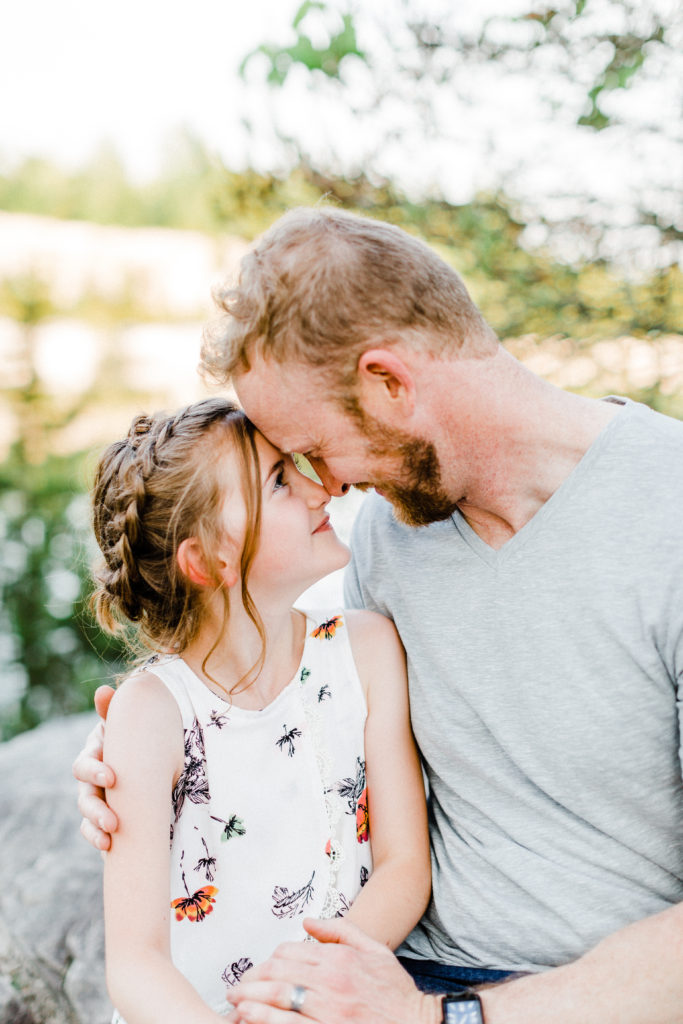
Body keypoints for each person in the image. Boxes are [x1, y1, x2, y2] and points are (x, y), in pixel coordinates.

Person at [74, 207, 683, 1024]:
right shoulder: (386, 539)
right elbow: (244, 666)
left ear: (387, 381)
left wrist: (450, 1020)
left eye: (312, 450)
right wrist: (132, 759)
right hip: (383, 977)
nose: (326, 485)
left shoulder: (665, 516)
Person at [85, 395, 430, 1024]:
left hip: (335, 1003)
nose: (317, 487)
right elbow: (135, 965)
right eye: (278, 480)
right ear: (209, 560)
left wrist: (307, 999)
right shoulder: (151, 714)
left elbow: (404, 867)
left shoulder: (367, 650)